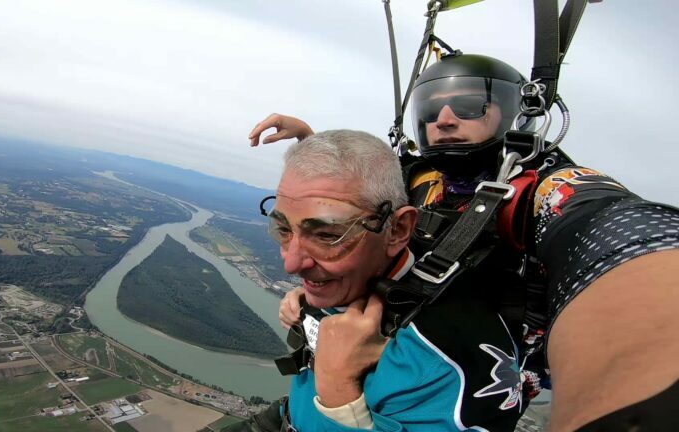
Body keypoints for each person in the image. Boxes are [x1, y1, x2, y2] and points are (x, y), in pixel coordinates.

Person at [250, 53, 679, 431]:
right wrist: (311, 142)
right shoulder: (421, 177)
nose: (444, 119)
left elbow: (617, 229)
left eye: (470, 106)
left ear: (516, 114)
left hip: (473, 370)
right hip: (385, 356)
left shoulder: (545, 189)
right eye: (431, 109)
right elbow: (346, 197)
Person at [231, 129, 532, 431]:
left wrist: (338, 389)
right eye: (284, 230)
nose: (291, 263)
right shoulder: (360, 272)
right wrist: (307, 300)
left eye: (326, 235)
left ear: (398, 230)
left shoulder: (446, 359)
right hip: (285, 417)